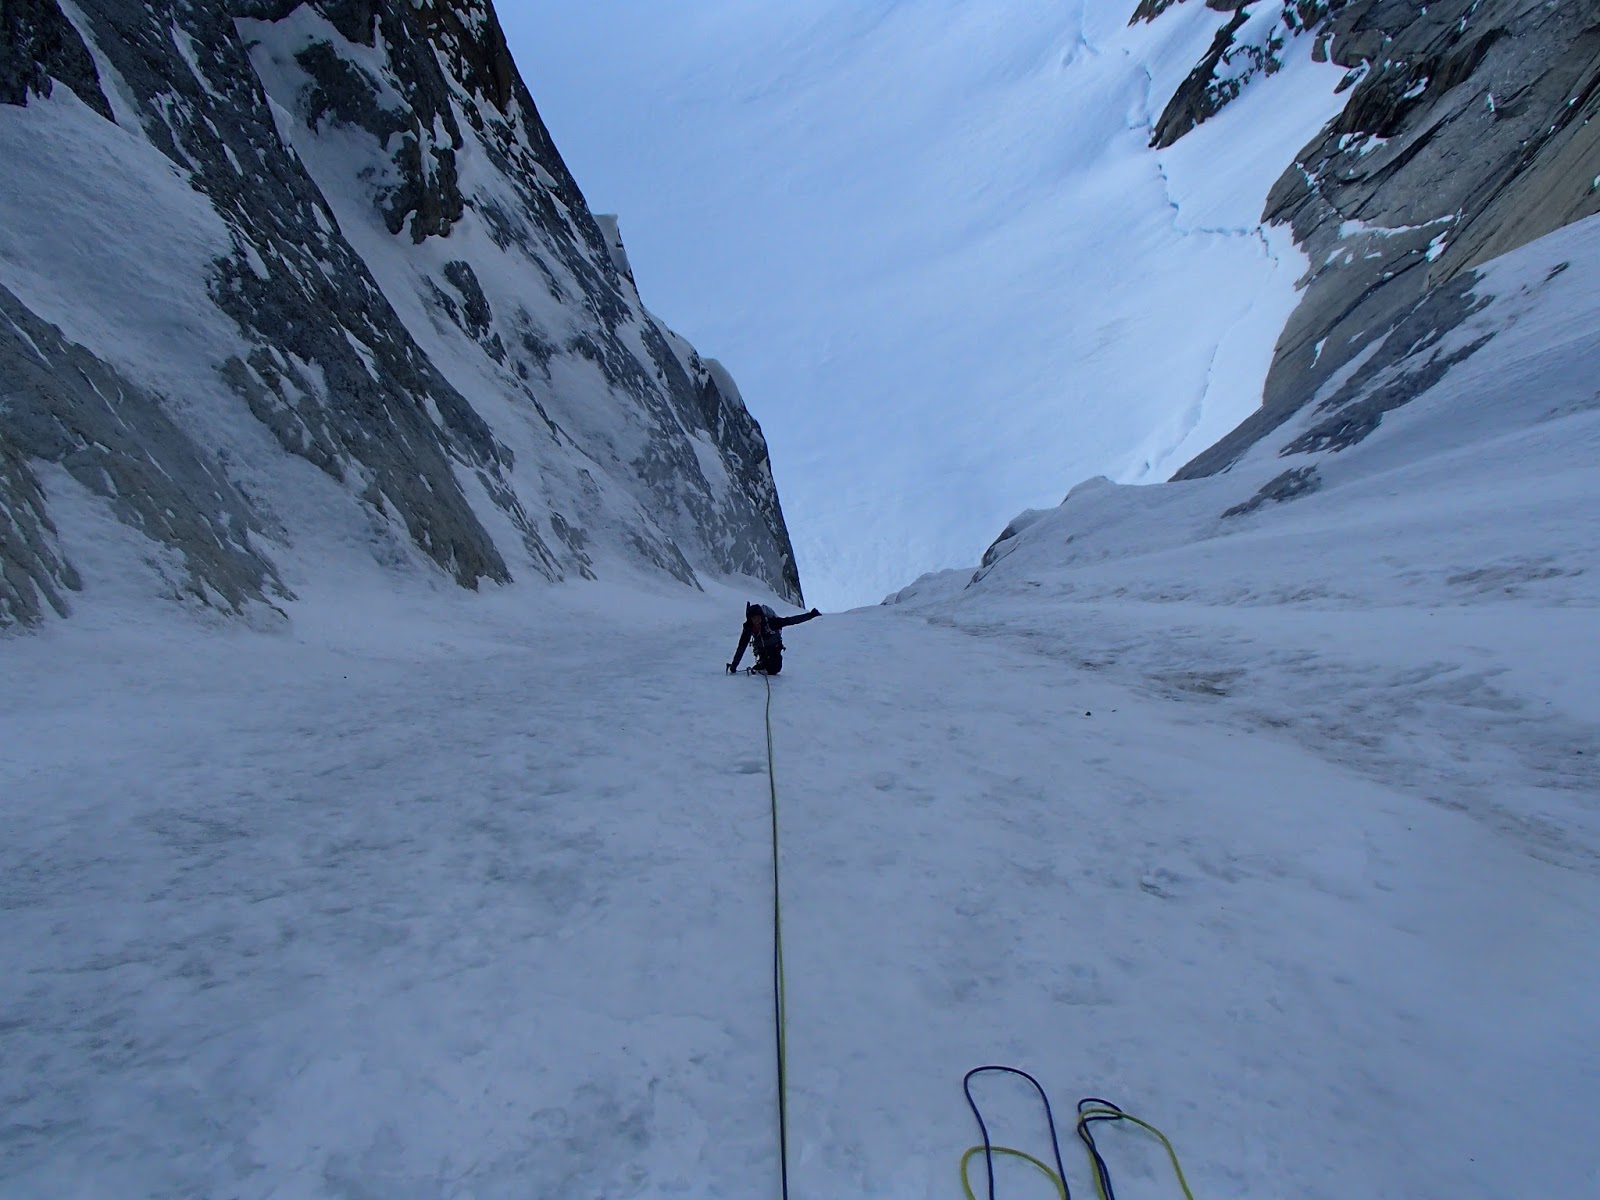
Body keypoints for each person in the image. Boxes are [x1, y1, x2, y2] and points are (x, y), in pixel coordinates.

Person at [727, 602, 820, 675]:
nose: (756, 620)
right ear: (750, 619)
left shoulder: (771, 623)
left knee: (774, 670)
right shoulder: (748, 628)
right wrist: (734, 665)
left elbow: (790, 621)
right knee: (766, 666)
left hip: (774, 646)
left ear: (762, 616)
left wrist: (810, 615)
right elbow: (741, 647)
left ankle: (764, 664)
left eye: (758, 617)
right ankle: (762, 664)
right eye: (754, 618)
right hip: (761, 649)